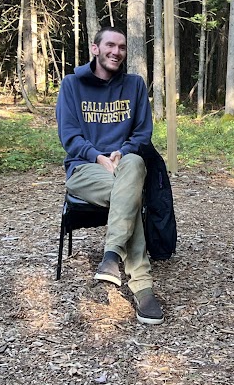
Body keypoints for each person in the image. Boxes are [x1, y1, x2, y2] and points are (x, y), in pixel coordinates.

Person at [56, 26, 161, 324]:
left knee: (134, 166)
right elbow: (70, 136)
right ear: (95, 49)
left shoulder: (135, 85)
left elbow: (143, 132)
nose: (117, 52)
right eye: (111, 45)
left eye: (122, 47)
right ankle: (143, 288)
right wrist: (98, 157)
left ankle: (112, 258)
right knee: (129, 194)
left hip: (124, 164)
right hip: (84, 168)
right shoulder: (72, 84)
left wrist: (123, 152)